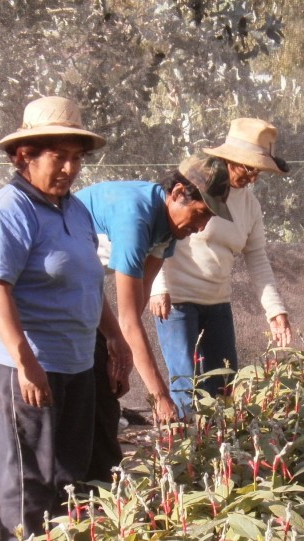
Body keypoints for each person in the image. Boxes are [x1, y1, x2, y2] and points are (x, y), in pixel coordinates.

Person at [0, 97, 130, 541]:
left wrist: (114, 337)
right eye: (58, 156)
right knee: (30, 481)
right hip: (29, 367)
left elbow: (87, 282)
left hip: (76, 362)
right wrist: (25, 362)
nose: (69, 168)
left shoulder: (74, 210)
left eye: (76, 157)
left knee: (68, 474)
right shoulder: (8, 210)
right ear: (25, 155)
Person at [75, 154, 233, 480]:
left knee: (106, 396)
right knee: (87, 396)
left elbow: (135, 306)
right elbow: (129, 320)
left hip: (87, 293)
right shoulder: (136, 219)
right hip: (60, 290)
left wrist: (119, 355)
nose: (201, 227)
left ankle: (101, 489)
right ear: (177, 193)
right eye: (201, 214)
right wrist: (160, 397)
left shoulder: (168, 232)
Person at [149, 118, 292, 414]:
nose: (251, 177)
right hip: (177, 302)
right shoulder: (193, 188)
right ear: (228, 159)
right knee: (188, 388)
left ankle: (222, 454)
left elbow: (257, 257)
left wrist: (275, 309)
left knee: (226, 387)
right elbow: (157, 232)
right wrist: (158, 285)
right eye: (246, 167)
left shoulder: (250, 205)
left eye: (258, 171)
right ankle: (185, 453)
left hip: (217, 303)